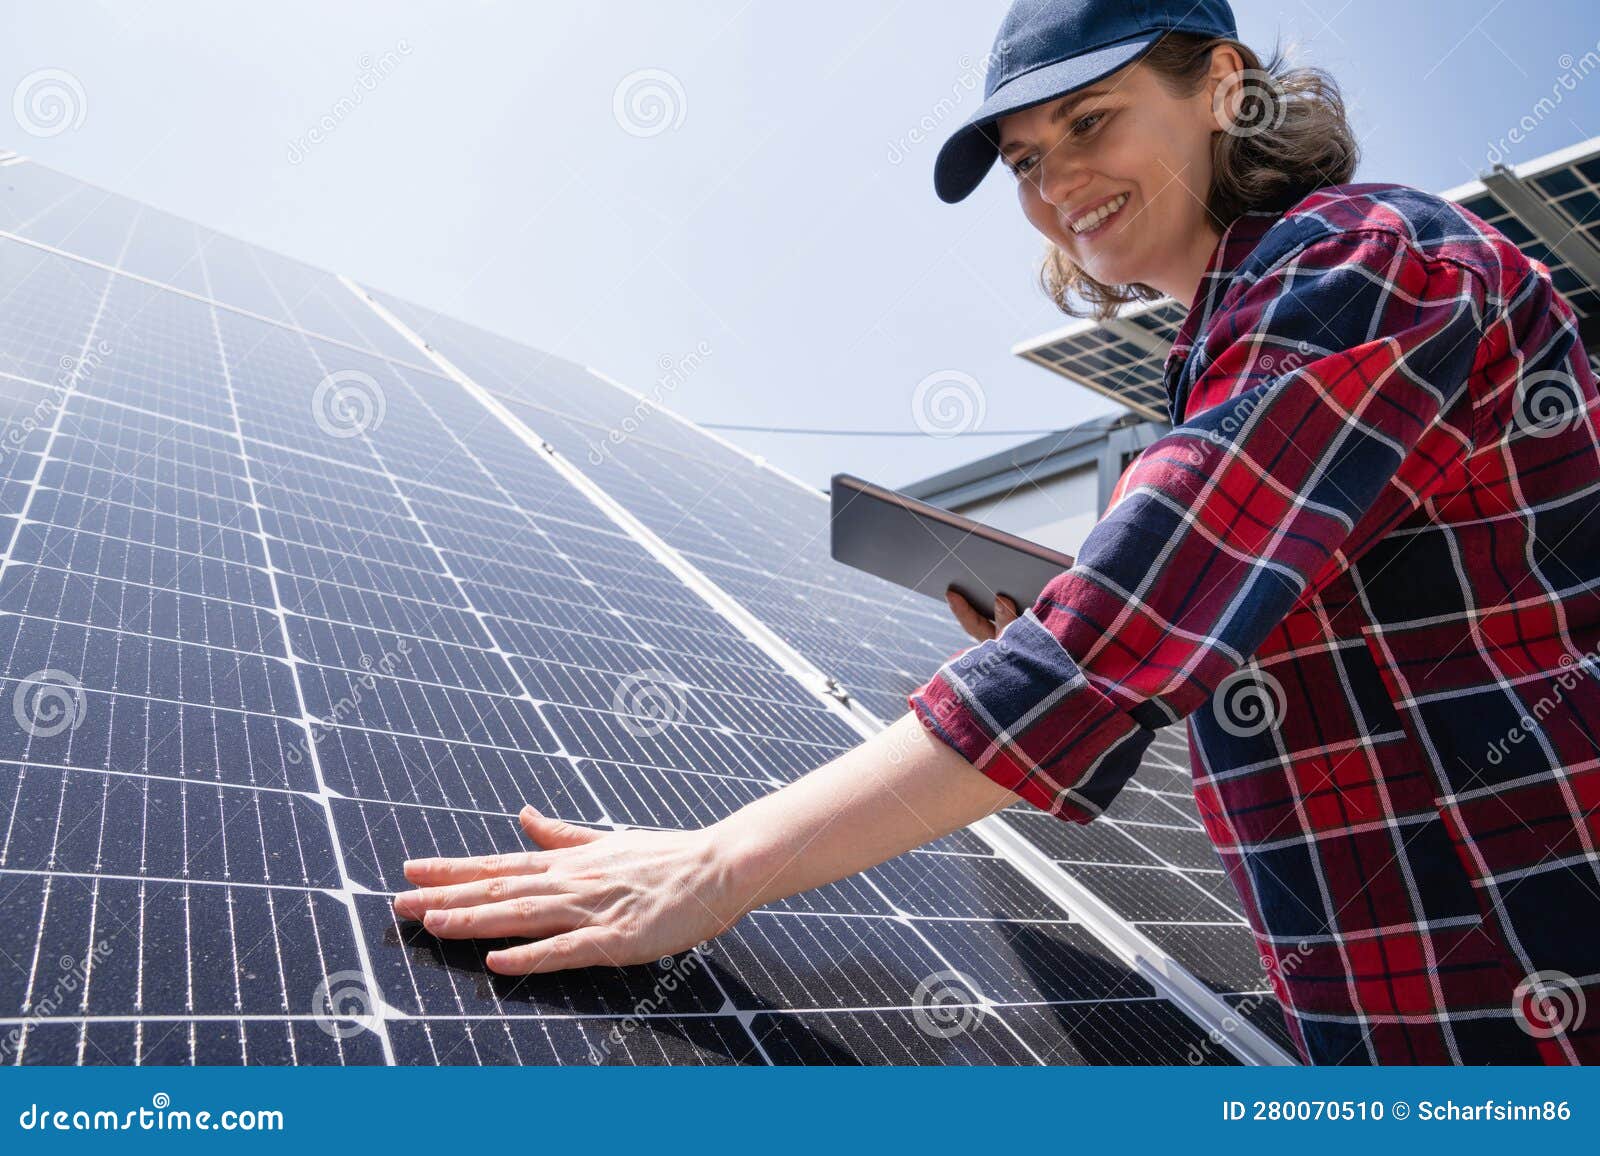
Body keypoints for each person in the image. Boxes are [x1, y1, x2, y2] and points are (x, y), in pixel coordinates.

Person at [393, 0, 1600, 1064]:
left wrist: (718, 867)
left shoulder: (1368, 262)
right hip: (1412, 1017)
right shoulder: (1232, 347)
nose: (1055, 183)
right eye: (1025, 156)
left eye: (1090, 121)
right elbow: (1245, 635)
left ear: (1226, 87)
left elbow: (1114, 638)